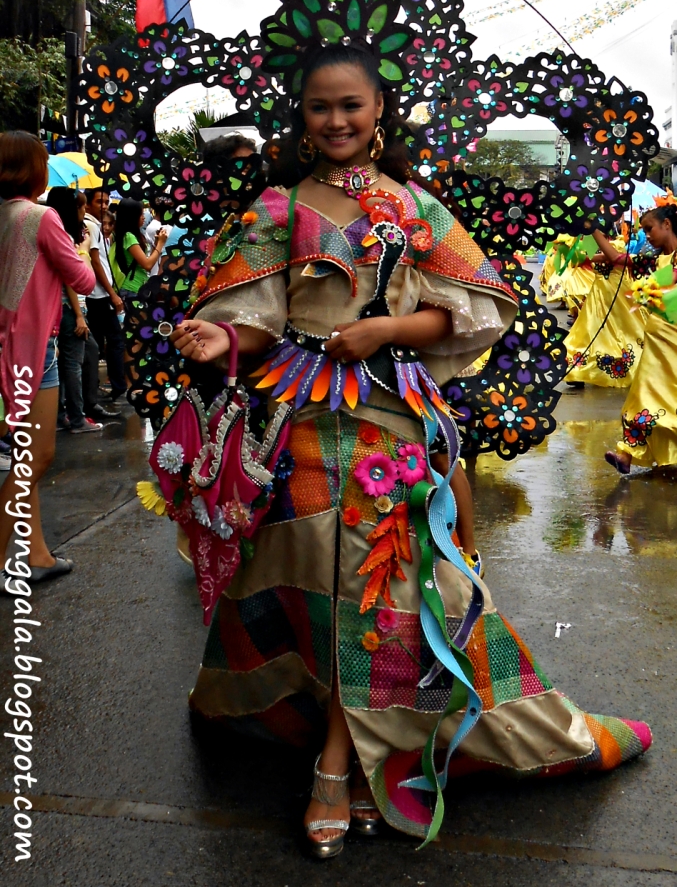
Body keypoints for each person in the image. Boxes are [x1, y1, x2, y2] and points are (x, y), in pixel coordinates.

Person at [169, 46, 651, 857]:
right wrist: (219, 334)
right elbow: (252, 318)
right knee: (317, 577)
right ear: (303, 117)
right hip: (299, 416)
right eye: (320, 107)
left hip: (394, 417)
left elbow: (467, 312)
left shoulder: (415, 205)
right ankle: (351, 749)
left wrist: (386, 330)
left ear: (377, 111)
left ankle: (337, 764)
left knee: (382, 577)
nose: (336, 121)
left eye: (350, 105)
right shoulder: (277, 208)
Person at [0, 131, 96, 589]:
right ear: (33, 171)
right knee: (37, 457)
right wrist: (79, 251)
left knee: (23, 456)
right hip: (34, 351)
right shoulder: (41, 217)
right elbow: (82, 278)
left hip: (8, 348)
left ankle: (36, 552)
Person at [604, 201, 677, 474]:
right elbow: (616, 258)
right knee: (642, 394)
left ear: (666, 225)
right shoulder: (655, 260)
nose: (646, 235)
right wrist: (593, 231)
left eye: (650, 229)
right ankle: (626, 454)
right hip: (657, 346)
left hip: (674, 341)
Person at [46, 188, 104, 433]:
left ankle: (62, 417)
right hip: (70, 308)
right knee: (72, 363)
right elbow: (70, 279)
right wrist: (80, 315)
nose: (84, 211)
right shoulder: (64, 239)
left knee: (62, 364)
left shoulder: (58, 234)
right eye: (81, 207)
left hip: (61, 308)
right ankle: (77, 419)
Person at [564, 229, 648, 389]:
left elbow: (609, 258)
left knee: (623, 329)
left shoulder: (617, 244)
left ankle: (630, 365)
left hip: (618, 290)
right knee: (591, 330)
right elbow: (580, 260)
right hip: (599, 293)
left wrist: (587, 255)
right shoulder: (589, 244)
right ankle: (579, 370)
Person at [83, 187, 126, 404]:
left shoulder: (94, 226)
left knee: (99, 343)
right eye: (100, 201)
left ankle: (96, 389)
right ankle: (115, 386)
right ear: (88, 203)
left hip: (98, 293)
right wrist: (112, 293)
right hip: (98, 294)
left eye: (107, 201)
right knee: (112, 340)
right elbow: (96, 263)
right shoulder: (90, 226)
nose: (104, 205)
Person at [109, 198, 168, 298]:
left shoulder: (129, 235)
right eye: (140, 214)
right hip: (131, 289)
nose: (143, 217)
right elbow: (148, 265)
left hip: (135, 287)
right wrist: (161, 243)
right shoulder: (129, 237)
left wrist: (157, 243)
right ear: (131, 217)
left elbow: (148, 261)